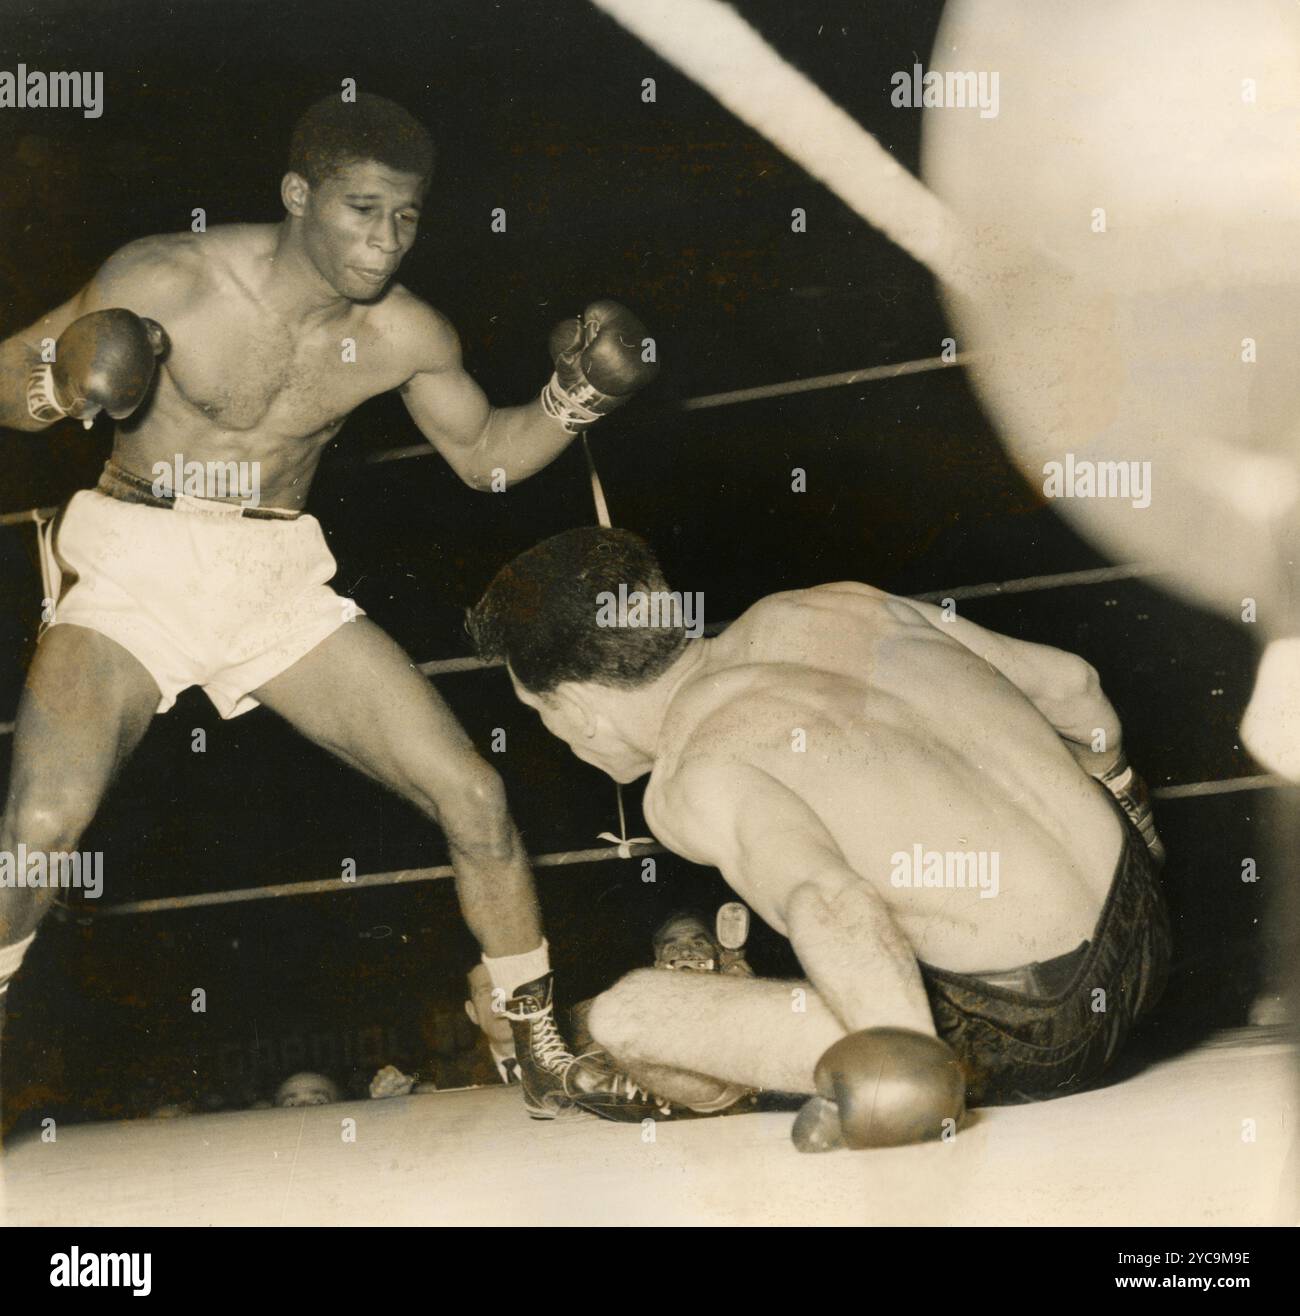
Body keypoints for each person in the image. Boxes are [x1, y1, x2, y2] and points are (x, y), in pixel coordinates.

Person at [0, 93, 656, 1130]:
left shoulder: (403, 332)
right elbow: (8, 382)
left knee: (474, 794)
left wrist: (580, 398)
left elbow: (486, 456)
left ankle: (533, 1044)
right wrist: (56, 377)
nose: (383, 240)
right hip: (137, 557)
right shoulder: (165, 278)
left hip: (273, 573)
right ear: (296, 194)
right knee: (38, 826)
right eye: (360, 209)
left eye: (405, 217)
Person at [468, 527, 1171, 1149]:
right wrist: (1129, 804)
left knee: (629, 1015)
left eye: (540, 713)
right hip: (1145, 921)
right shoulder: (827, 605)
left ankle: (888, 1070)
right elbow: (1072, 686)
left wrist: (902, 1068)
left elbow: (827, 895)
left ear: (576, 709)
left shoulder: (692, 773)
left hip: (1043, 1026)